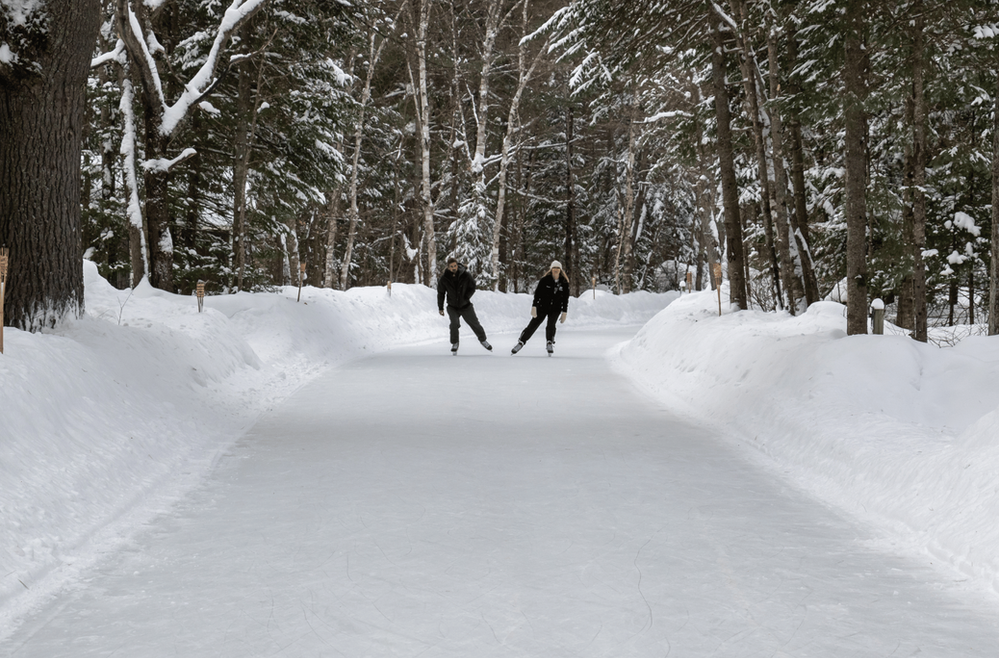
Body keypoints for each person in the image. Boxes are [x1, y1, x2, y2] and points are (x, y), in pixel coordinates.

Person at [511, 260, 570, 356]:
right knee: (533, 324)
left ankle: (549, 342)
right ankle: (521, 341)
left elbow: (565, 298)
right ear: (551, 269)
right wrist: (534, 306)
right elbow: (537, 294)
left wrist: (564, 312)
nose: (556, 270)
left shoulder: (564, 282)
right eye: (554, 268)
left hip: (556, 308)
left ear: (560, 270)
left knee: (551, 325)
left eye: (558, 268)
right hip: (543, 307)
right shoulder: (545, 280)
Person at [437, 257, 492, 355]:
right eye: (451, 267)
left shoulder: (465, 275)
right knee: (454, 323)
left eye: (455, 266)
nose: (454, 268)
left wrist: (467, 296)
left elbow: (472, 286)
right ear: (448, 267)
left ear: (457, 265)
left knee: (475, 323)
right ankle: (455, 343)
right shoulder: (444, 278)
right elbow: (441, 293)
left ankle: (483, 340)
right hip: (452, 306)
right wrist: (440, 307)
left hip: (465, 305)